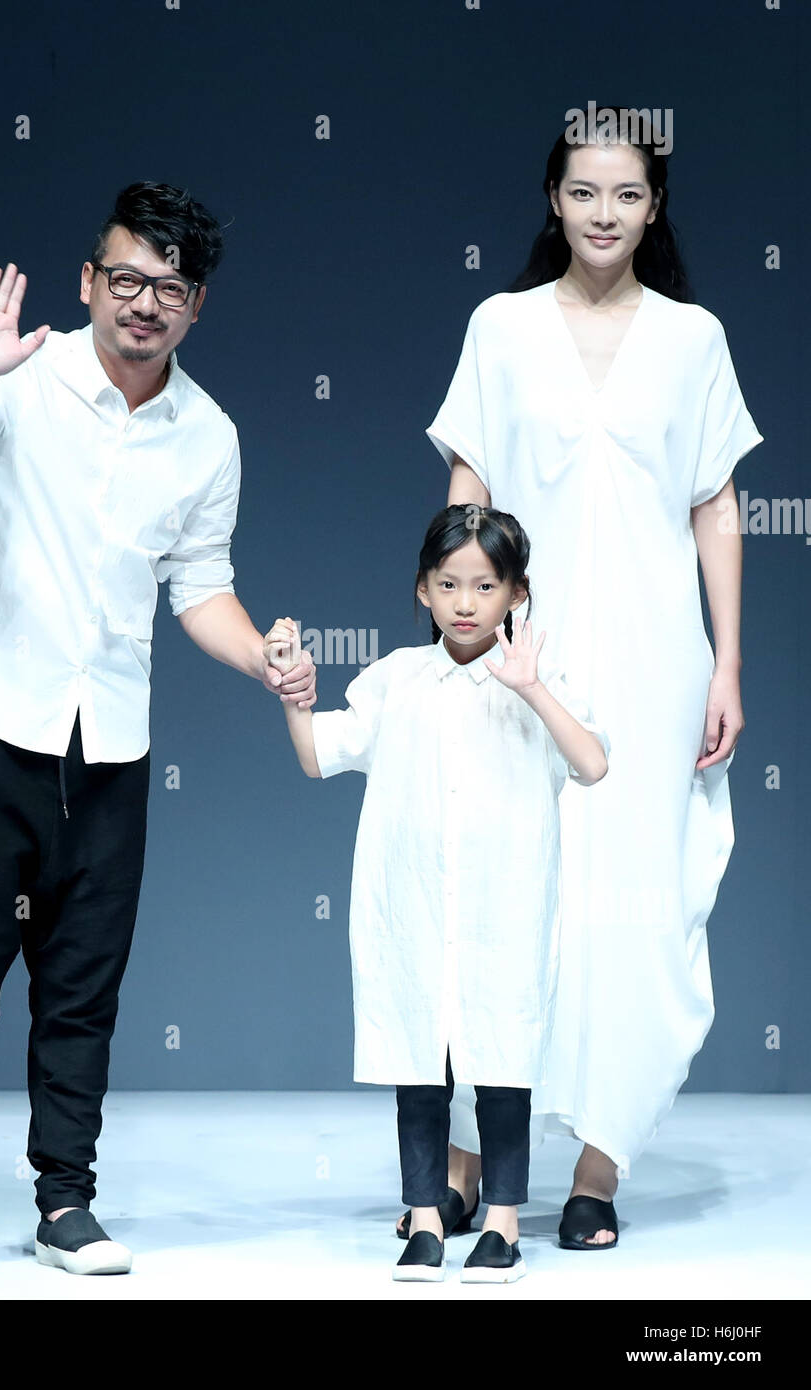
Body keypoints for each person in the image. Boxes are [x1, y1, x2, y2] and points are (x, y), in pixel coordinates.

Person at [0, 180, 316, 1277]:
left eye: (168, 287)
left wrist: (261, 656)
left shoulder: (209, 435)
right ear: (89, 280)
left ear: (196, 304)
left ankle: (65, 1202)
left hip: (108, 741)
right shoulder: (17, 378)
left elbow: (202, 590)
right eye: (125, 277)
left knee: (82, 985)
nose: (144, 302)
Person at [416, 109, 763, 1250]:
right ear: (552, 200)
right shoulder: (501, 326)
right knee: (506, 896)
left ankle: (599, 1169)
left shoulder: (694, 337)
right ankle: (470, 1156)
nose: (604, 213)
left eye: (626, 194)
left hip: (659, 665)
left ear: (653, 206)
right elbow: (471, 480)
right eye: (583, 192)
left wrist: (728, 662)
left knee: (635, 908)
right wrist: (463, 629)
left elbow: (716, 503)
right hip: (530, 656)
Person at [264, 506, 609, 1281]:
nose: (464, 602)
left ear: (515, 593)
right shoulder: (394, 679)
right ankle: (424, 1220)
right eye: (447, 583)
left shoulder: (539, 681)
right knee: (417, 1064)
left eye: (484, 585)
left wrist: (531, 690)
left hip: (502, 913)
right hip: (411, 912)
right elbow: (320, 756)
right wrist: (293, 696)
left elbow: (590, 764)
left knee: (502, 1064)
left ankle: (504, 1225)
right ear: (422, 589)